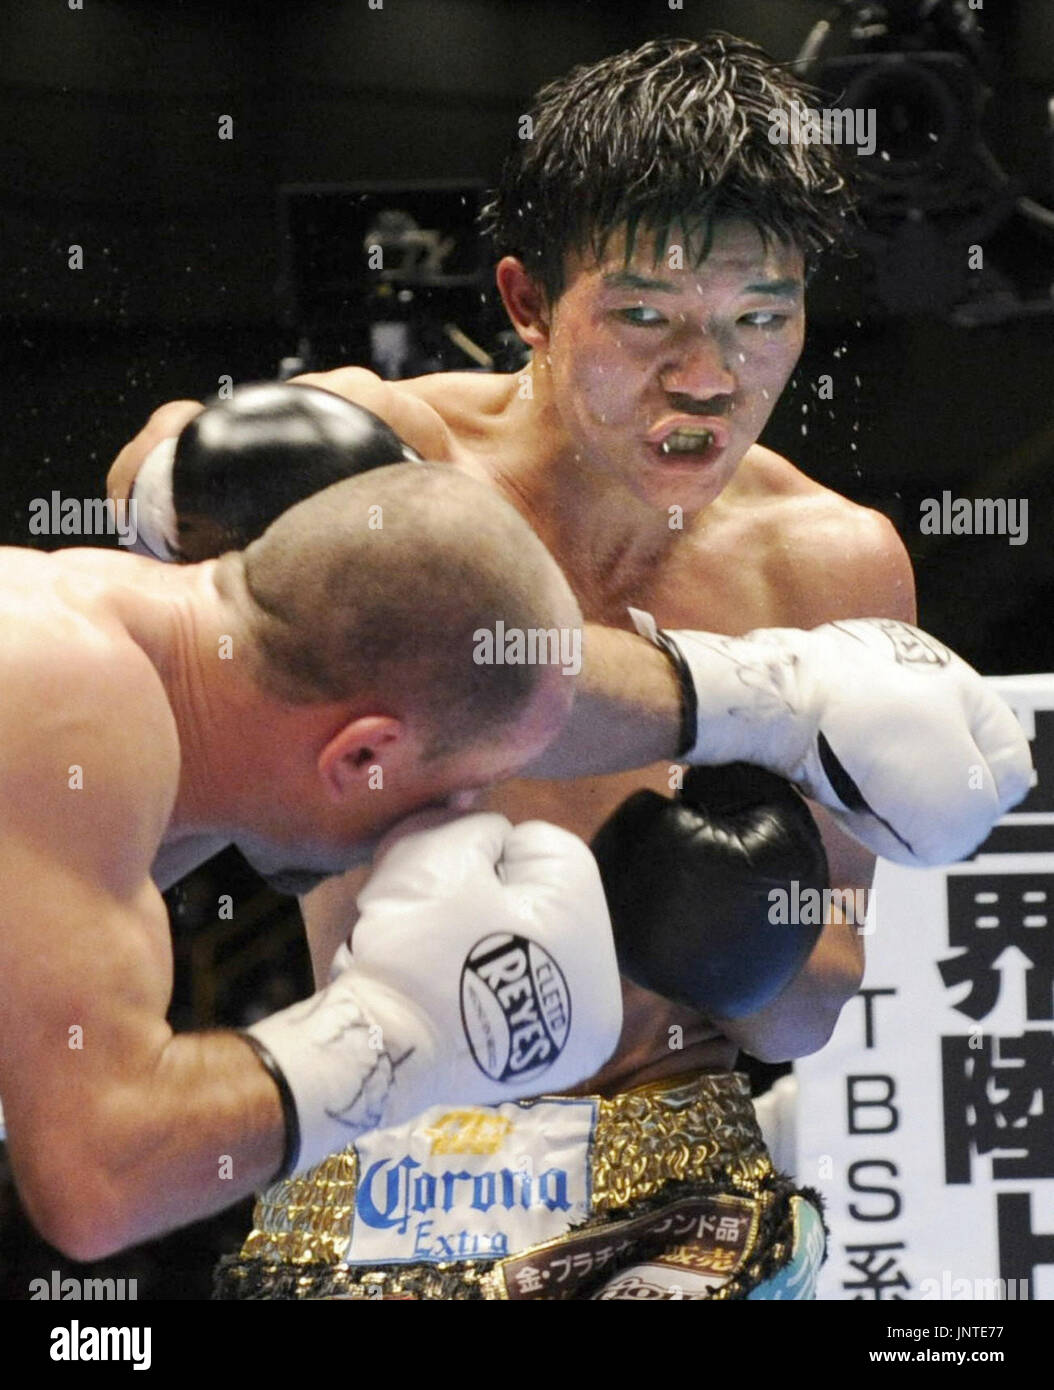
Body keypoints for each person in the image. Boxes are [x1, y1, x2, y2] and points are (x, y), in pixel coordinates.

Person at [107, 35, 1032, 1298]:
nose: (707, 377)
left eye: (762, 318)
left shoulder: (829, 562)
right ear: (528, 301)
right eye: (646, 315)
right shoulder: (406, 467)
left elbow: (819, 997)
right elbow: (178, 453)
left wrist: (733, 941)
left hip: (678, 1192)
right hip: (378, 1165)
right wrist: (174, 482)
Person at [0, 461, 631, 1261]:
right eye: (467, 790)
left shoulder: (142, 680)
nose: (463, 826)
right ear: (365, 753)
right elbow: (98, 1177)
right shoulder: (71, 695)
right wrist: (397, 1036)